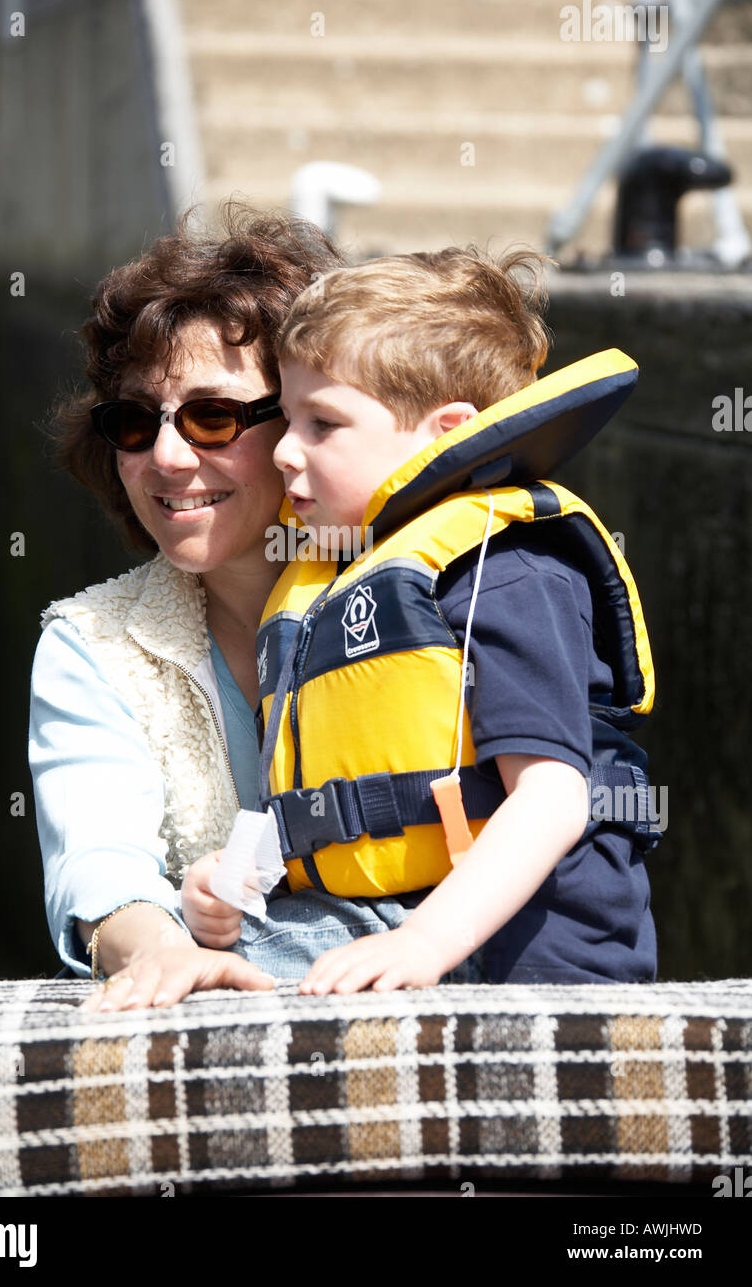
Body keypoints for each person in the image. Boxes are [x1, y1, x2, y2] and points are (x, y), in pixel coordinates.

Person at [185, 246, 661, 993]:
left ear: (443, 431)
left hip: (518, 954)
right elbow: (320, 798)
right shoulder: (326, 579)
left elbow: (552, 797)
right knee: (186, 960)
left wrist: (427, 943)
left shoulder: (506, 570)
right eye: (287, 418)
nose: (282, 450)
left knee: (194, 986)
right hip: (379, 919)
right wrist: (231, 882)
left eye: (323, 423)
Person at [29, 205, 346, 1010]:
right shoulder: (90, 643)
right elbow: (97, 864)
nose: (168, 457)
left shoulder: (424, 595)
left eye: (214, 415)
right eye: (136, 420)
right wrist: (170, 953)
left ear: (310, 422)